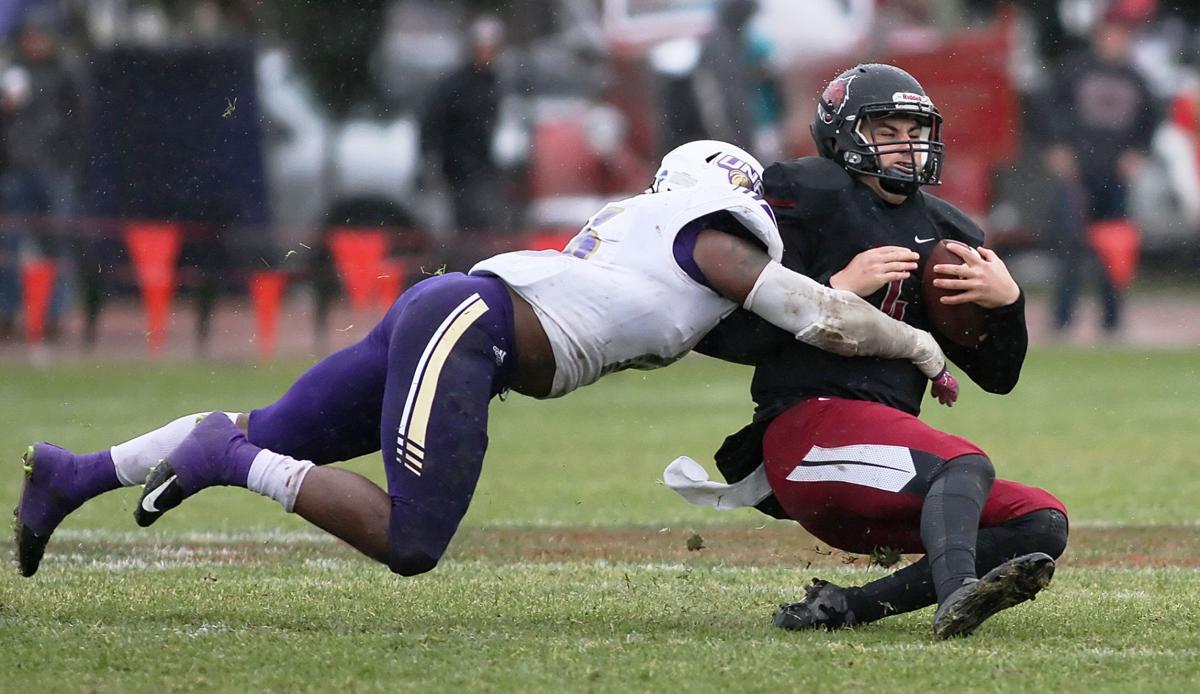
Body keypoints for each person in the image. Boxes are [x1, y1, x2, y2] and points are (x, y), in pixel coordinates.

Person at [15, 139, 959, 579]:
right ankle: (221, 457)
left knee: (279, 431)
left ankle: (73, 475)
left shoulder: (656, 236)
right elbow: (824, 322)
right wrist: (921, 343)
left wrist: (829, 294)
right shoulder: (709, 232)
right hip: (469, 329)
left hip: (456, 316)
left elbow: (775, 325)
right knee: (411, 541)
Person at [665, 65, 1068, 639]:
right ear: (843, 134)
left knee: (1041, 521)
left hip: (888, 459)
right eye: (887, 129)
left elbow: (998, 376)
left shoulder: (946, 229)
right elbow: (720, 332)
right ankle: (958, 596)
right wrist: (827, 292)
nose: (907, 145)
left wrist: (1008, 305)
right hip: (806, 433)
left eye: (916, 129)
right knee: (965, 463)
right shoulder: (806, 193)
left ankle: (846, 608)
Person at [1042, 7, 1159, 336]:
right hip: (1077, 173)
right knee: (1071, 247)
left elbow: (1151, 121)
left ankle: (1112, 320)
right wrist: (1058, 148)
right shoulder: (1074, 70)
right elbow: (1049, 109)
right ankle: (1062, 319)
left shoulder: (1137, 78)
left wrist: (1138, 153)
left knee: (1114, 250)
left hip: (1115, 177)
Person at [421, 15, 510, 234]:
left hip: (481, 168)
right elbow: (432, 123)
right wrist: (432, 159)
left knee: (484, 224)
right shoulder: (456, 86)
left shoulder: (492, 83)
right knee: (468, 225)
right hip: (459, 170)